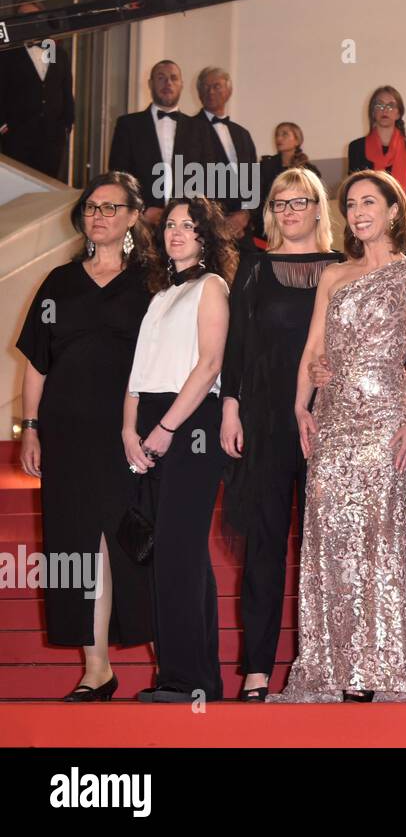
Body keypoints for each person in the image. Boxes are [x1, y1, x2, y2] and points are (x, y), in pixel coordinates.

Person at [275, 169, 406, 702]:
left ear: (394, 210)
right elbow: (313, 349)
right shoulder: (334, 276)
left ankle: (374, 667)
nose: (359, 211)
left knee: (375, 535)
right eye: (351, 203)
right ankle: (330, 665)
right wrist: (302, 403)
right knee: (327, 534)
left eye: (371, 201)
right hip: (333, 415)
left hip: (386, 414)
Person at [17, 172, 158, 701]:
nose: (97, 216)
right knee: (76, 545)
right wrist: (29, 427)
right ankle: (95, 669)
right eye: (91, 208)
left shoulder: (153, 283)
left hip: (129, 433)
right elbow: (38, 361)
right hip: (66, 431)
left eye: (109, 208)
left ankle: (170, 662)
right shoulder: (58, 283)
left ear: (132, 216)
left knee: (136, 540)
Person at [220, 168, 342, 701]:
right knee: (266, 547)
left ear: (319, 207)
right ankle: (257, 671)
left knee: (329, 551)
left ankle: (328, 668)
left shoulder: (347, 268)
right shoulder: (252, 267)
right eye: (280, 203)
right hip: (266, 423)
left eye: (300, 201)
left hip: (335, 424)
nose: (290, 211)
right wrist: (230, 408)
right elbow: (236, 346)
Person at [125, 195, 236, 703]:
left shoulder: (211, 286)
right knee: (170, 552)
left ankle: (185, 679)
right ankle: (194, 678)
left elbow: (211, 364)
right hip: (149, 420)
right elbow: (138, 374)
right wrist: (130, 429)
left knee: (178, 548)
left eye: (188, 226)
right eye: (170, 225)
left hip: (189, 421)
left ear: (205, 236)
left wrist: (167, 426)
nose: (176, 233)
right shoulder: (158, 295)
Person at [108, 60, 218, 224]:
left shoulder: (200, 128)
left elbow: (209, 176)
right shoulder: (128, 125)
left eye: (174, 78)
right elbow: (118, 177)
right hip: (140, 224)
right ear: (150, 84)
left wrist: (192, 214)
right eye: (161, 78)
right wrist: (142, 210)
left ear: (181, 85)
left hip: (187, 224)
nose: (168, 83)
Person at [0, 1, 74, 179]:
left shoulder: (57, 52)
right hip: (17, 136)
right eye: (23, 17)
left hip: (52, 136)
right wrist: (2, 124)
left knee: (48, 186)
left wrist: (67, 123)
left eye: (34, 17)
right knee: (18, 188)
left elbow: (64, 88)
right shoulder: (6, 53)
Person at [193, 66, 259, 238]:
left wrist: (245, 215)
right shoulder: (188, 130)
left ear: (229, 91)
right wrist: (216, 219)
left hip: (242, 229)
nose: (210, 91)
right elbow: (188, 180)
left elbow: (253, 179)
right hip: (206, 227)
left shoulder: (243, 134)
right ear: (199, 93)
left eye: (216, 86)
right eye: (205, 87)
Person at [346, 86, 406, 202]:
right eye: (379, 105)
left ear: (399, 113)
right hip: (369, 216)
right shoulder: (357, 148)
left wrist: (402, 217)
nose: (385, 110)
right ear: (373, 111)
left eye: (391, 105)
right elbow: (354, 191)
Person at [254, 122, 322, 244]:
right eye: (277, 135)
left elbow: (316, 203)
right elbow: (257, 199)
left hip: (300, 229)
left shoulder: (309, 171)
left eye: (284, 134)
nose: (279, 138)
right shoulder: (265, 166)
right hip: (268, 230)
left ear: (297, 140)